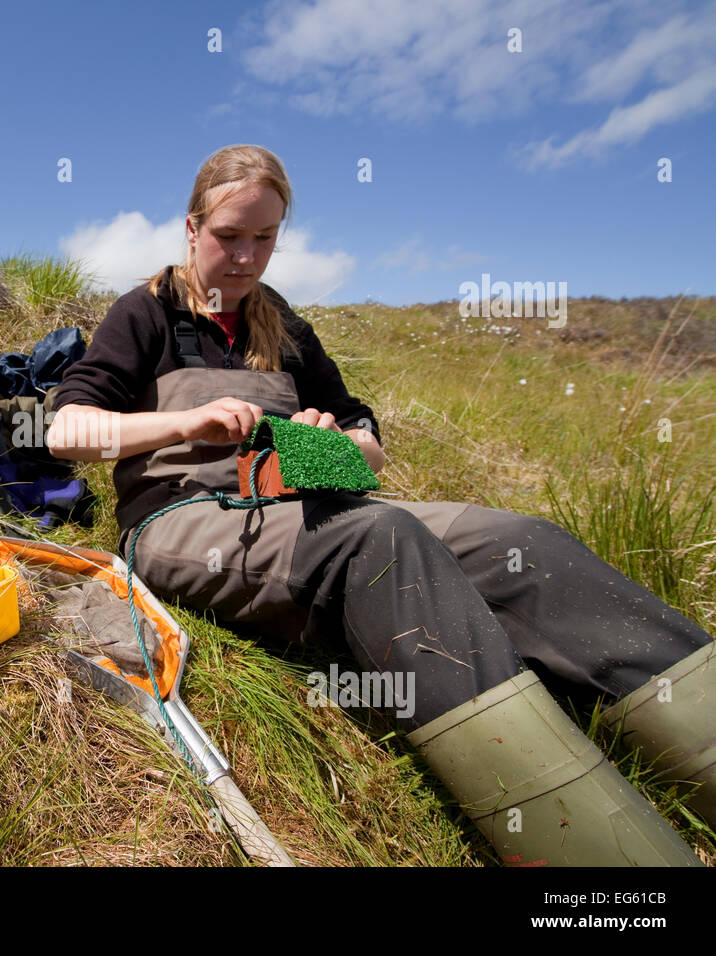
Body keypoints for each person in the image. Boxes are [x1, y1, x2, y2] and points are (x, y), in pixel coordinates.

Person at [46, 144, 715, 866]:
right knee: (382, 541)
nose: (245, 258)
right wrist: (185, 423)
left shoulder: (286, 329)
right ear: (191, 226)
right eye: (228, 236)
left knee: (524, 542)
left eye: (263, 238)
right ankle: (605, 860)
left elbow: (370, 450)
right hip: (179, 520)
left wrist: (325, 444)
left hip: (297, 506)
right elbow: (65, 432)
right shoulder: (145, 313)